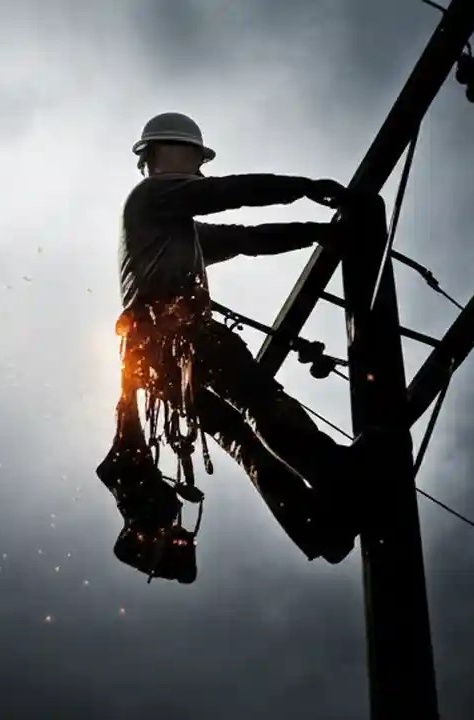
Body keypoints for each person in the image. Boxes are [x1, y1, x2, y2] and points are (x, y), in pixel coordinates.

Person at [96, 111, 386, 583]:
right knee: (259, 401)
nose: (200, 168)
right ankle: (341, 478)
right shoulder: (151, 196)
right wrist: (305, 186)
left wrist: (315, 233)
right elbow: (226, 194)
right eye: (195, 156)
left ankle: (318, 527)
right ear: (164, 153)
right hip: (177, 335)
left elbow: (247, 240)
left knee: (240, 437)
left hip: (149, 361)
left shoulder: (171, 227)